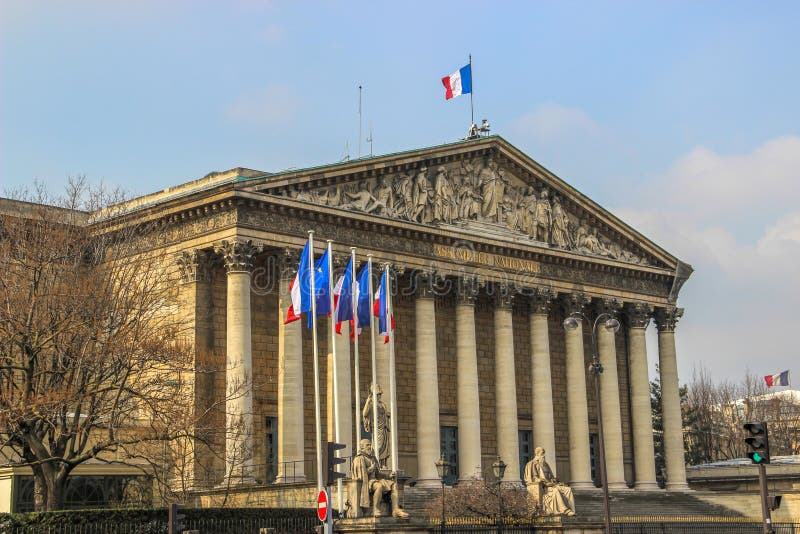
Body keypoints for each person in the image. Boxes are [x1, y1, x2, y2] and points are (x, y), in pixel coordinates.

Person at [351, 439, 410, 518]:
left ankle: (395, 509)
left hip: (375, 480)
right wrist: (370, 469)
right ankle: (375, 509)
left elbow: (378, 473)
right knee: (379, 486)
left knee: (393, 485)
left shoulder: (373, 458)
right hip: (366, 483)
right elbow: (359, 474)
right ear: (362, 447)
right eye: (367, 445)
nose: (370, 447)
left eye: (370, 445)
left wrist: (389, 475)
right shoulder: (359, 459)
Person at [524, 447, 576, 516]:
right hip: (542, 487)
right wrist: (541, 481)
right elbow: (531, 479)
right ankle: (565, 510)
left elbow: (551, 477)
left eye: (544, 453)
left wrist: (554, 480)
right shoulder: (531, 464)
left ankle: (572, 510)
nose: (544, 456)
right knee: (556, 491)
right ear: (537, 454)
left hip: (550, 485)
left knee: (568, 489)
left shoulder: (546, 464)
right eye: (542, 453)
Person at [362, 384, 390, 467]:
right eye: (378, 394)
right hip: (377, 428)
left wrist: (387, 415)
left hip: (384, 427)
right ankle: (376, 462)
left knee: (385, 446)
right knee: (378, 446)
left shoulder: (382, 404)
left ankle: (383, 463)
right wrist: (367, 401)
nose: (379, 396)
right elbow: (365, 413)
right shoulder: (371, 404)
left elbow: (384, 414)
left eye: (380, 394)